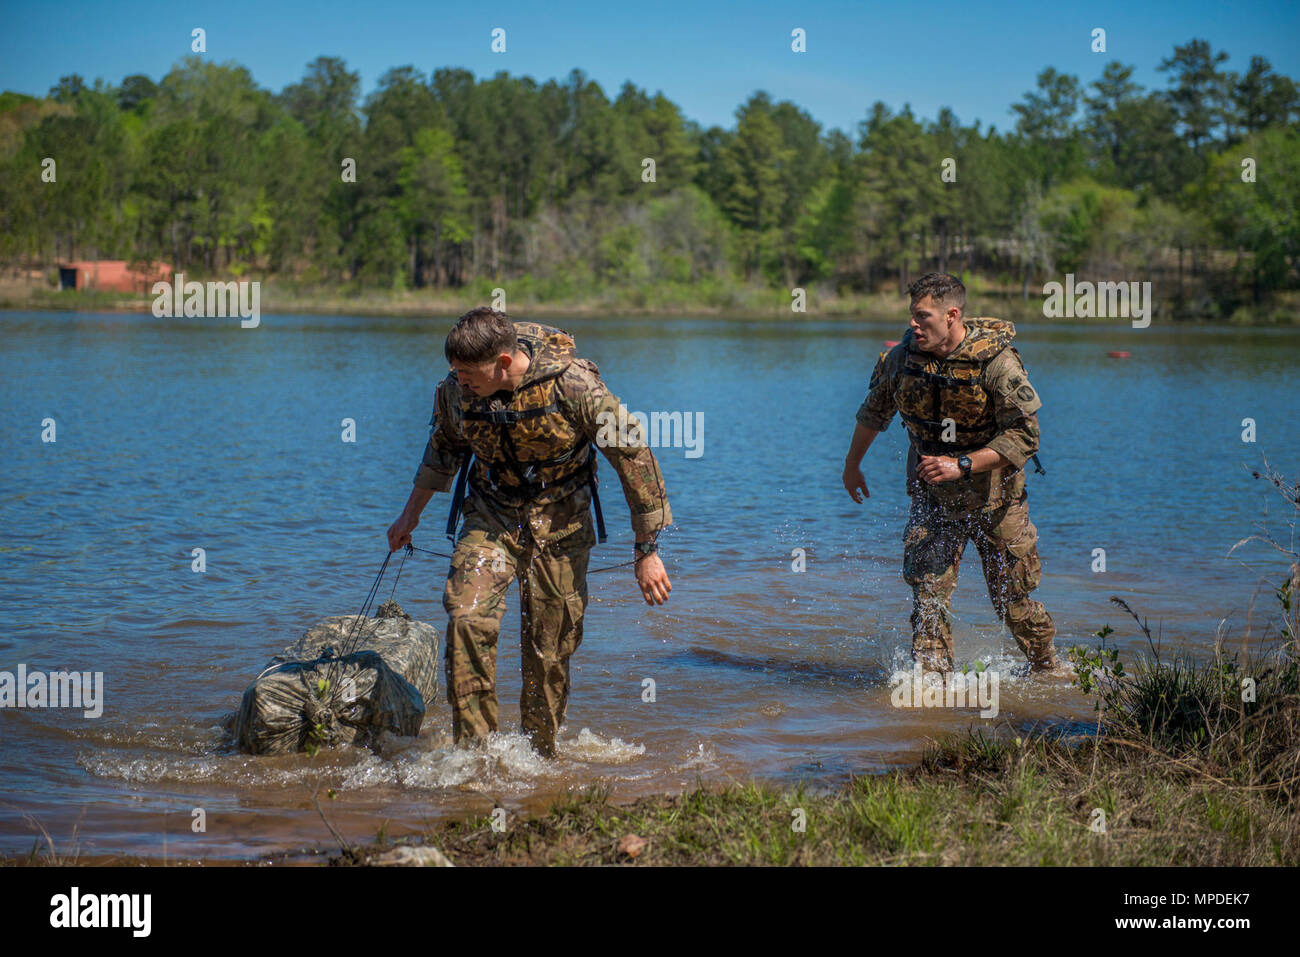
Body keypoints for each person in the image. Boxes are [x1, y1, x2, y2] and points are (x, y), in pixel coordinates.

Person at [387, 307, 673, 757]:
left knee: (548, 649)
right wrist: (408, 518)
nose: (459, 382)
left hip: (562, 519)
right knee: (467, 617)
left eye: (468, 373)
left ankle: (540, 755)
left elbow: (633, 454)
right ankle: (474, 758)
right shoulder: (455, 391)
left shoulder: (573, 386)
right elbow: (442, 451)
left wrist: (647, 550)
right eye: (455, 372)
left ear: (503, 362)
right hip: (490, 512)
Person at [842, 273, 1066, 676]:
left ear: (952, 315)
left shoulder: (997, 363)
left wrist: (961, 464)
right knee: (929, 595)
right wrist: (852, 465)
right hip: (934, 499)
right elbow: (874, 412)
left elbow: (1026, 435)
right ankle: (933, 686)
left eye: (922, 316)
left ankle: (1048, 667)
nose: (913, 324)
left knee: (1012, 602)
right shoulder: (902, 359)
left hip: (997, 498)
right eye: (911, 315)